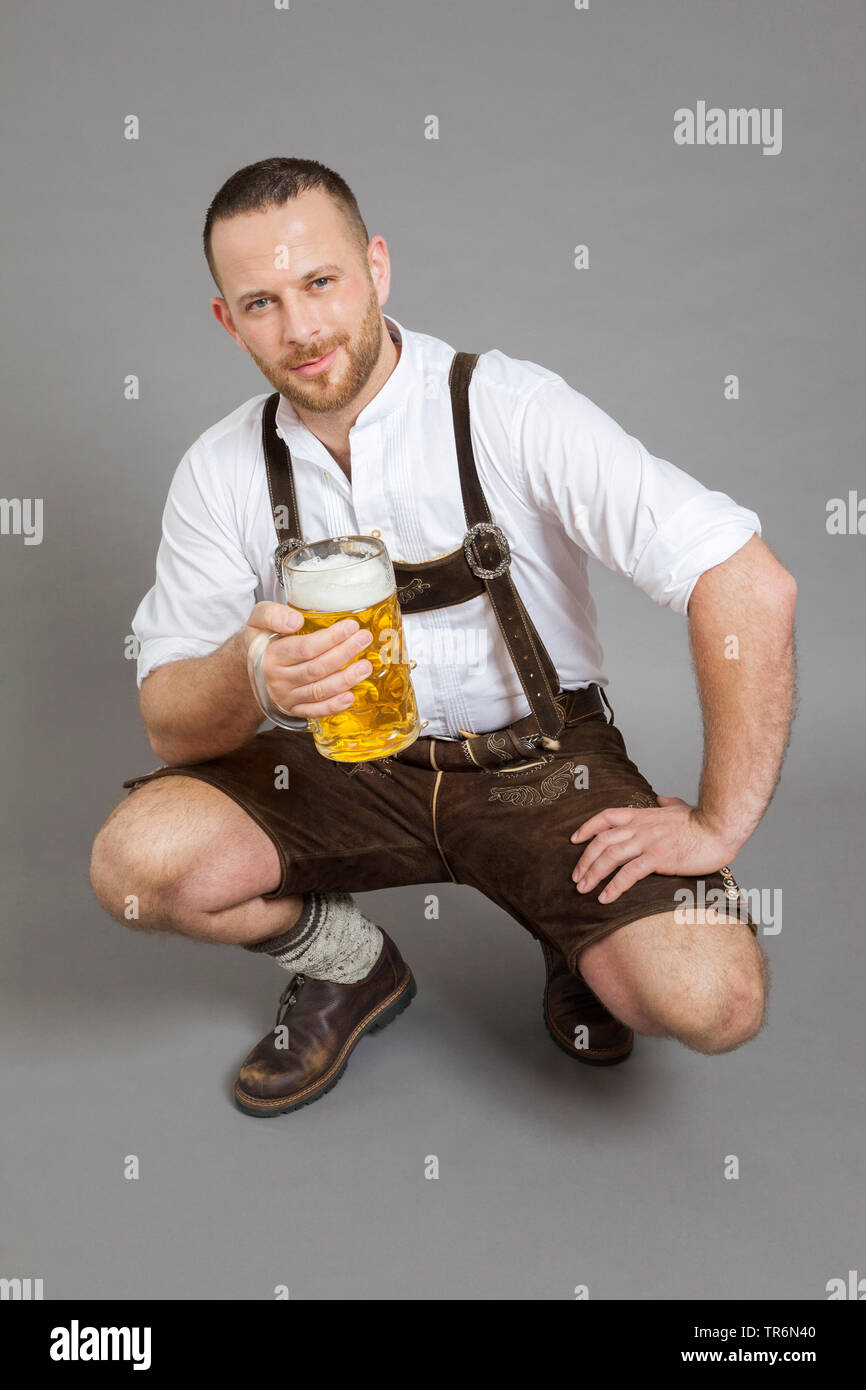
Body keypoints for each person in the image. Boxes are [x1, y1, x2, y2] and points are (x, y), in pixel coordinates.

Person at [89, 157, 797, 1117]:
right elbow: (171, 722)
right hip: (343, 768)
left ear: (378, 267)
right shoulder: (220, 470)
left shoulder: (507, 407)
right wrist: (250, 674)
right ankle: (352, 966)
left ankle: (569, 933)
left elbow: (747, 584)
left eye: (321, 282)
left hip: (539, 767)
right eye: (260, 302)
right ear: (226, 318)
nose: (299, 329)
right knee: (136, 865)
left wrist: (719, 822)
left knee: (715, 1002)